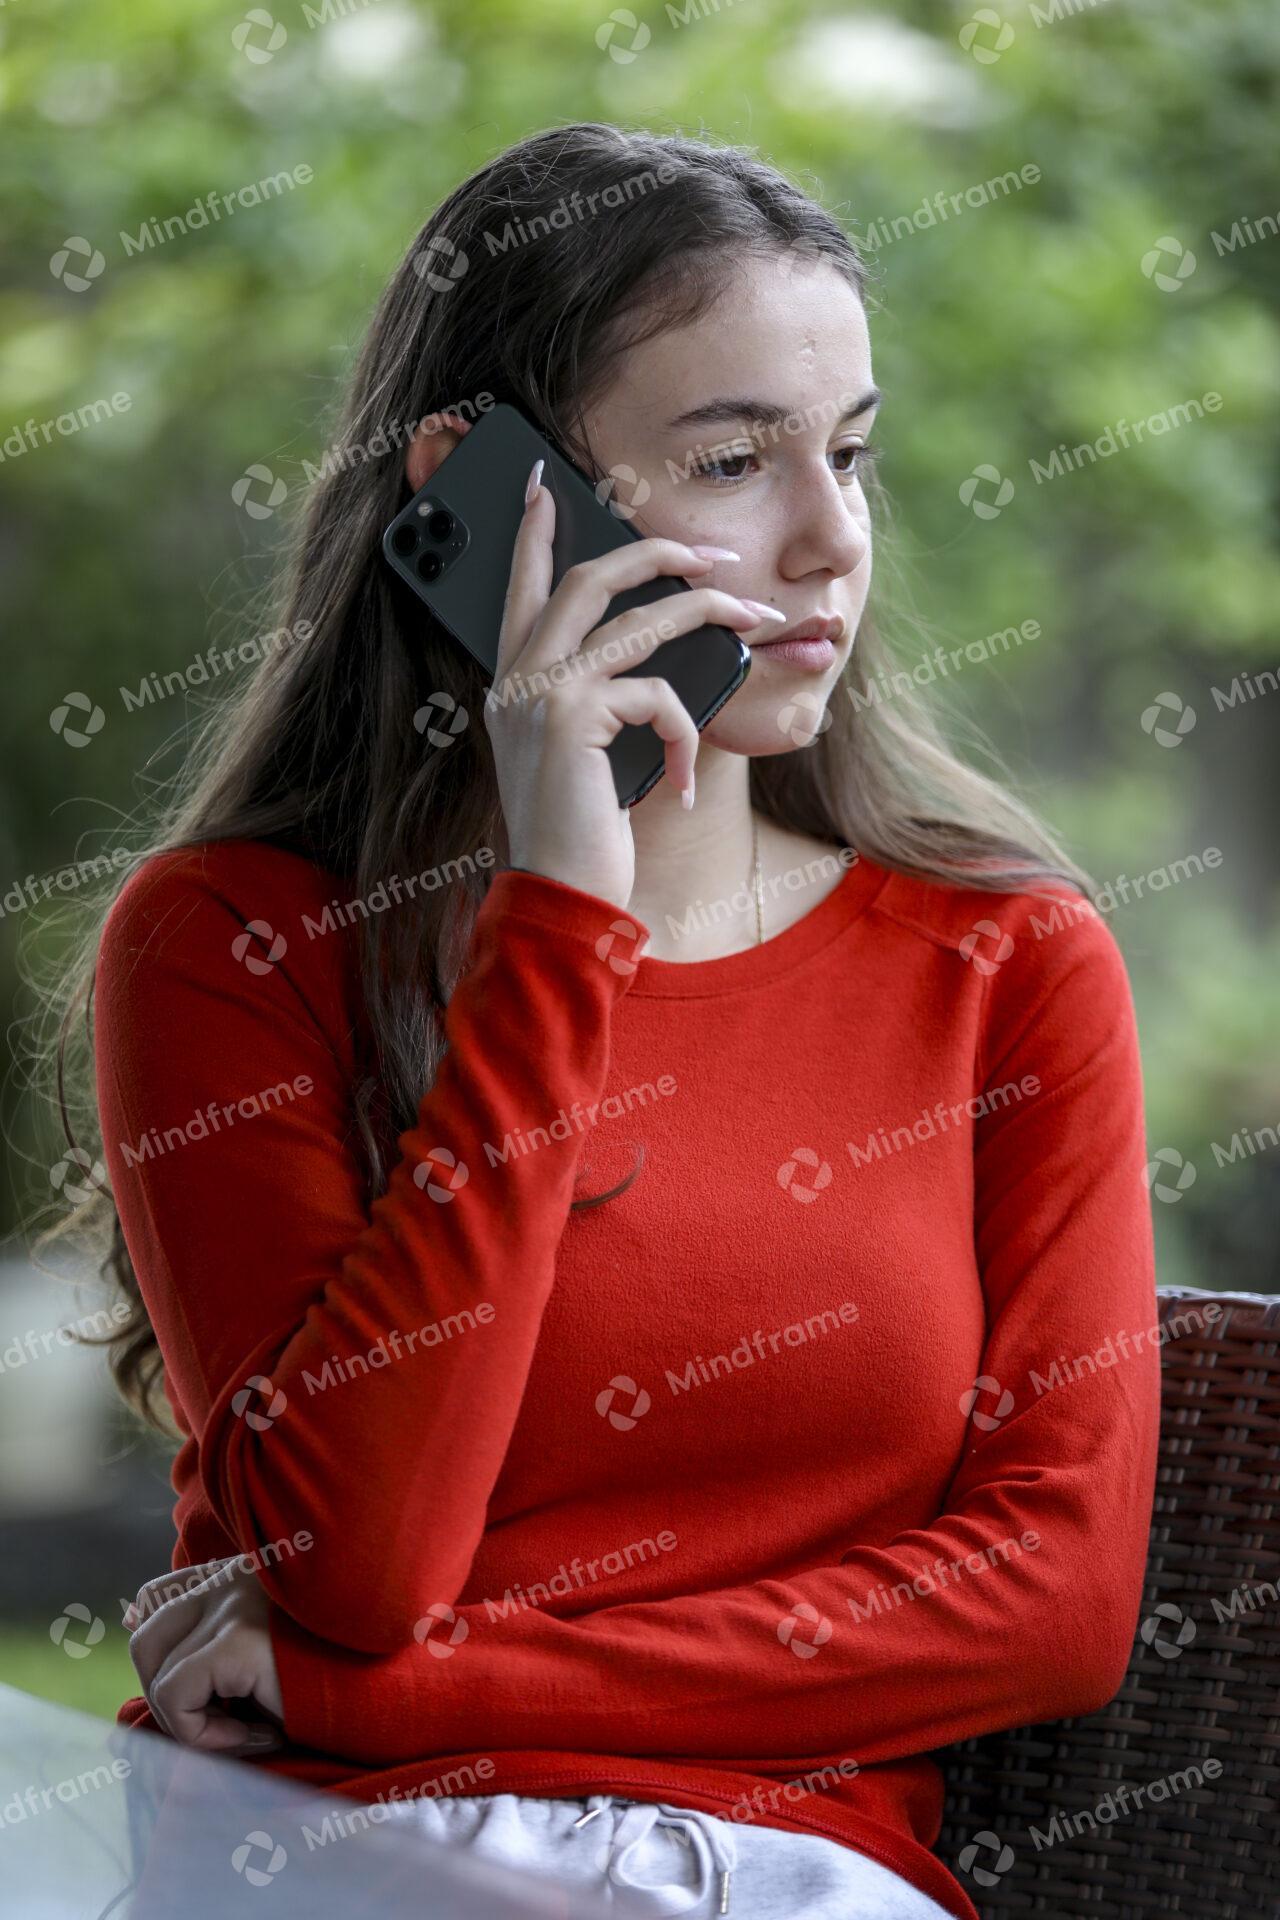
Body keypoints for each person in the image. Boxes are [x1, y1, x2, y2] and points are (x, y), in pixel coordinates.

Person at [46, 123, 1162, 1920]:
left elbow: (1058, 1603)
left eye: (853, 455)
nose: (829, 542)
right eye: (733, 460)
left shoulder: (1005, 961)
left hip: (780, 1878)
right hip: (343, 1861)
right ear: (487, 493)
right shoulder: (232, 946)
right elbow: (359, 1558)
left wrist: (409, 1692)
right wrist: (561, 918)